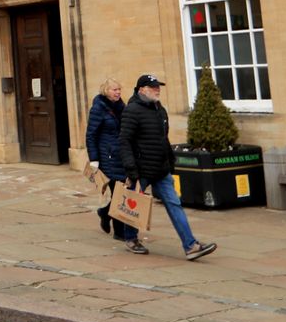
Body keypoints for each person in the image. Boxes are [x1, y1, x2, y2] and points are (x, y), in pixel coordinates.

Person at [118, 74, 217, 260]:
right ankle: (130, 238)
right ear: (141, 90)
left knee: (174, 204)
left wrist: (170, 162)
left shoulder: (159, 109)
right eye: (153, 87)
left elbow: (164, 139)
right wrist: (131, 170)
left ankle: (191, 246)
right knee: (133, 205)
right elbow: (124, 141)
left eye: (158, 87)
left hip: (161, 170)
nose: (157, 90)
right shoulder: (132, 110)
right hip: (141, 170)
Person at [83, 78, 137, 246]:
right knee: (118, 192)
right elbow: (91, 135)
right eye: (115, 89)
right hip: (108, 156)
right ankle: (119, 232)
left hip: (122, 154)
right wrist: (94, 159)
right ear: (106, 90)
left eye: (119, 89)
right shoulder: (98, 108)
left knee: (121, 192)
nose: (118, 92)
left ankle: (105, 213)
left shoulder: (122, 106)